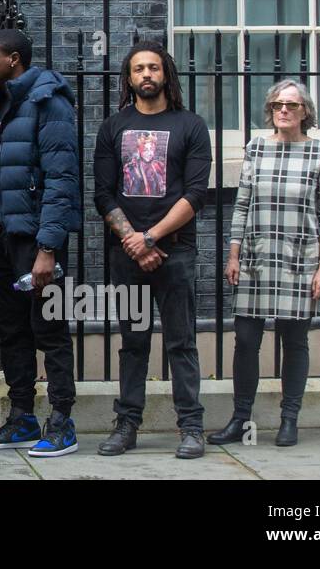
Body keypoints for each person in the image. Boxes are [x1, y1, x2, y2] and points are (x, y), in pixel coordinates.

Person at [93, 40, 212, 460]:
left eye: (154, 68)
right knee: (133, 343)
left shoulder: (191, 126)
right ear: (129, 78)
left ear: (166, 75)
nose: (147, 75)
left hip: (175, 253)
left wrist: (151, 237)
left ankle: (192, 427)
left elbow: (196, 194)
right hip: (127, 255)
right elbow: (103, 193)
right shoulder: (113, 127)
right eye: (139, 69)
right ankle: (127, 424)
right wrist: (133, 240)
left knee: (182, 341)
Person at [209, 80, 320, 449]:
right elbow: (242, 204)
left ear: (305, 112)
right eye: (278, 104)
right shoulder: (256, 148)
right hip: (255, 256)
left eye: (292, 105)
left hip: (301, 258)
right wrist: (233, 254)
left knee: (294, 340)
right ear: (271, 109)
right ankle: (240, 420)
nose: (284, 110)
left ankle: (289, 420)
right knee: (246, 340)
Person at [0, 29, 82, 457]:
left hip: (36, 240)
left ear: (13, 60)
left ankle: (62, 421)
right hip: (1, 234)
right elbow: (4, 176)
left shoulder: (48, 102)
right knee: (11, 329)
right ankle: (21, 417)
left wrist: (48, 248)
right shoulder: (2, 105)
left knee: (49, 330)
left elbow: (61, 180)